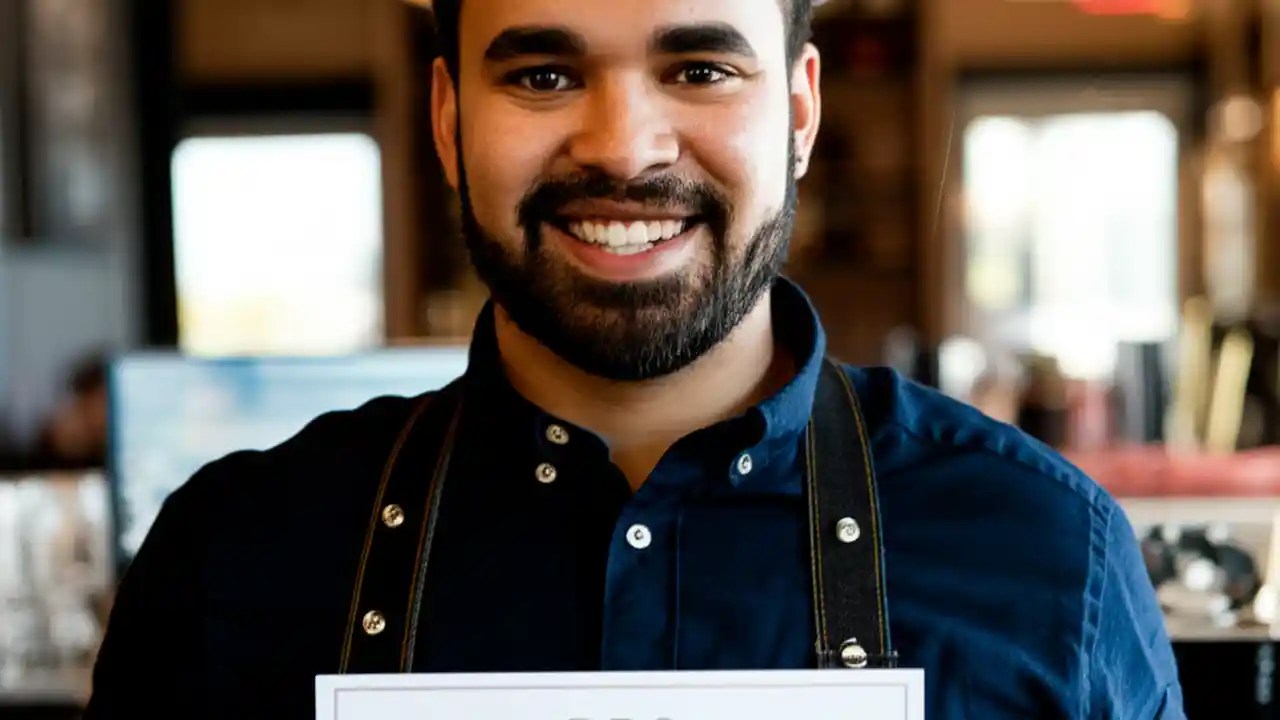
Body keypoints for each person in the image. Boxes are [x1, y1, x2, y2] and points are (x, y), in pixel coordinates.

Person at [84, 0, 1185, 717]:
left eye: (700, 69)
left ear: (798, 111)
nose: (621, 145)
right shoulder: (231, 560)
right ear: (445, 116)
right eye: (543, 77)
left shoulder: (1046, 556)